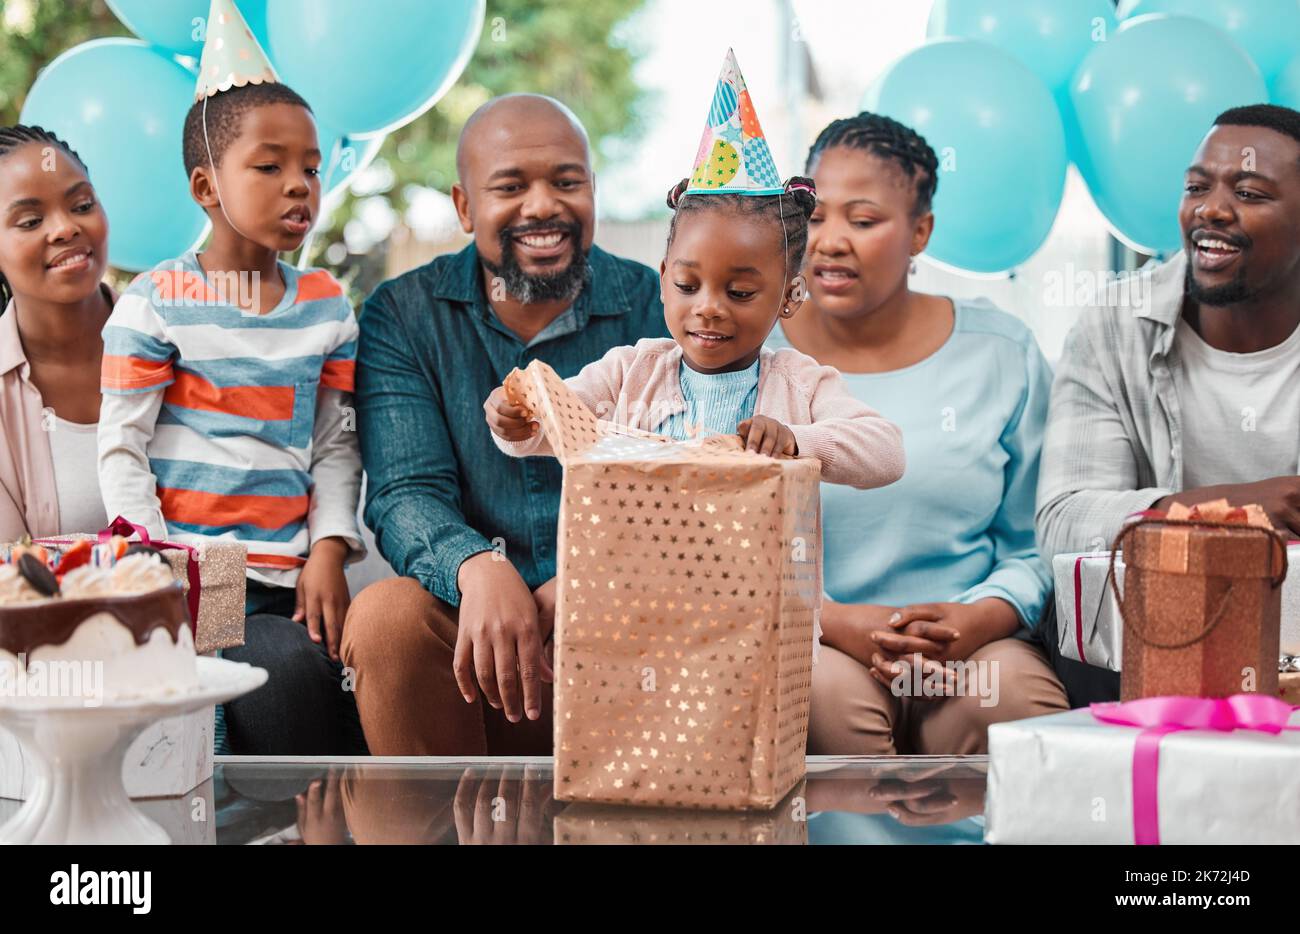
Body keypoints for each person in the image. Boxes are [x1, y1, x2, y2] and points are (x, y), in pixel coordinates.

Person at [340, 94, 669, 754]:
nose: (543, 206)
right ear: (464, 209)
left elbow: (685, 487)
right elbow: (406, 492)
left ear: (593, 193)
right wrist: (480, 569)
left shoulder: (662, 304)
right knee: (385, 619)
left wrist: (571, 585)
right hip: (473, 649)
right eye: (511, 187)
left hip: (632, 627)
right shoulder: (403, 315)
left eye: (566, 182)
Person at [97, 27, 365, 754]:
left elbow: (336, 446)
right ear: (207, 188)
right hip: (203, 566)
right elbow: (121, 448)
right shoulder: (156, 301)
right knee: (254, 695)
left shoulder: (327, 306)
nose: (298, 184)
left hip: (297, 568)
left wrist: (329, 551)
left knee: (326, 702)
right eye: (270, 166)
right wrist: (156, 559)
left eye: (311, 166)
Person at [769, 112, 1068, 754]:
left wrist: (978, 618)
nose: (830, 241)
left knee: (1016, 701)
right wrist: (832, 621)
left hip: (971, 636)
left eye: (864, 220)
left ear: (920, 232)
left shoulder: (1002, 353)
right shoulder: (752, 356)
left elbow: (1041, 537)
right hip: (813, 636)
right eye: (815, 217)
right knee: (820, 700)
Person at [1036, 104, 1300, 703]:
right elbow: (1064, 522)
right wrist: (1227, 508)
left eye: (1250, 192)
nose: (1210, 208)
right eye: (1196, 187)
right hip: (1154, 641)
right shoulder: (1115, 322)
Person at [487, 173, 904, 492]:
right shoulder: (627, 373)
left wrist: (796, 439)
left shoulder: (801, 384)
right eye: (687, 286)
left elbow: (886, 453)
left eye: (740, 292)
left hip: (756, 595)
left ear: (789, 296)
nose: (708, 308)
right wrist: (517, 422)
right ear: (665, 280)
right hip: (632, 589)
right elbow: (555, 425)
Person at [0, 125, 114, 542]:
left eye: (82, 205)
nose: (65, 228)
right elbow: (11, 583)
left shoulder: (180, 342)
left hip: (232, 606)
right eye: (30, 221)